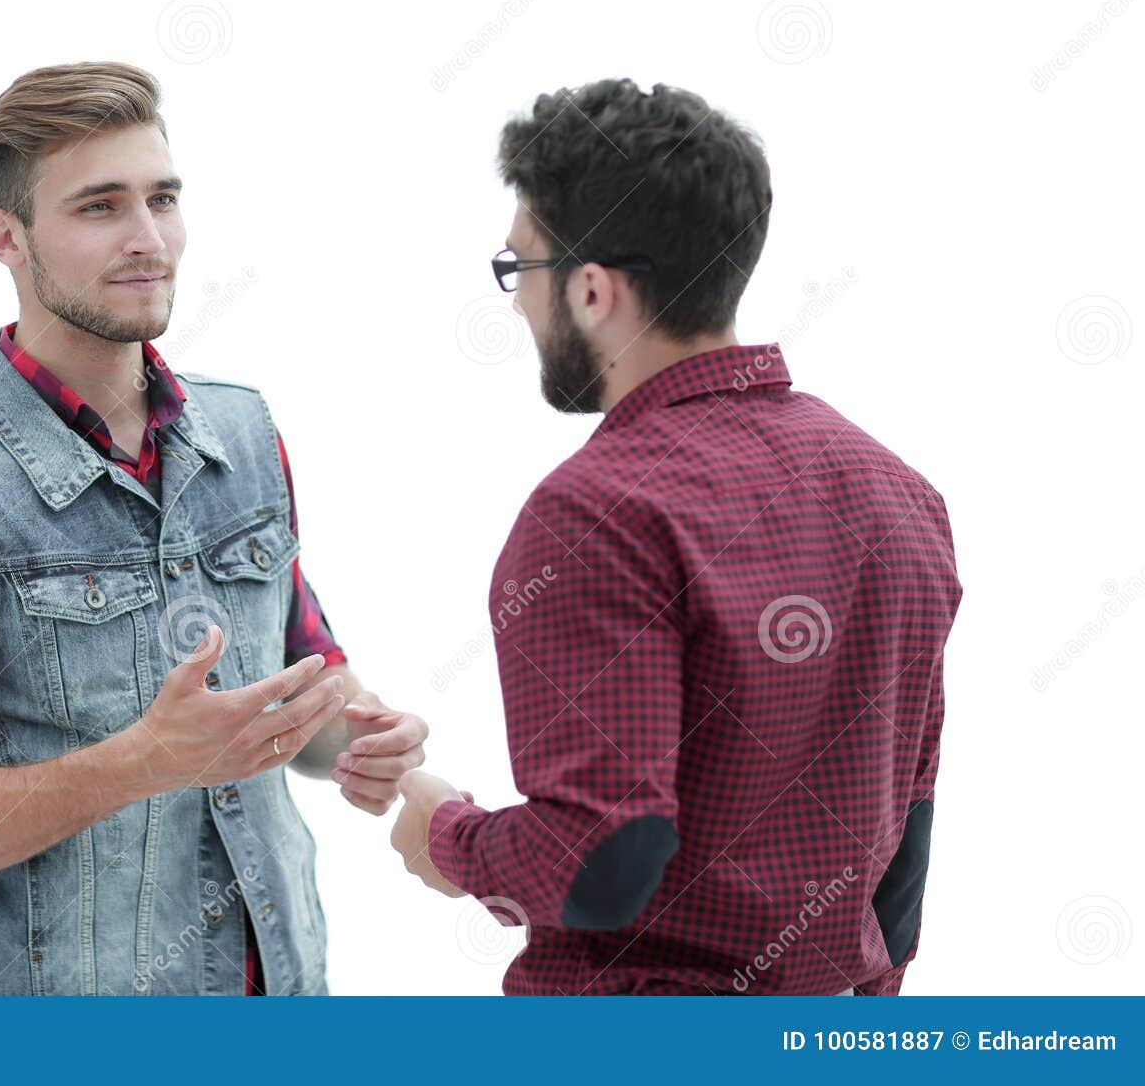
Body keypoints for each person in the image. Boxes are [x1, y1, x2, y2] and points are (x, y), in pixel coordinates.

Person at [0, 62, 428, 995]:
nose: (150, 240)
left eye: (163, 199)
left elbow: (298, 666)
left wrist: (357, 735)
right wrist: (139, 764)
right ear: (7, 237)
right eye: (100, 207)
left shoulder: (243, 433)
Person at [391, 79, 962, 996]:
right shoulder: (900, 493)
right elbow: (908, 838)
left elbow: (603, 863)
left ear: (589, 289)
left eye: (519, 272)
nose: (515, 306)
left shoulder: (597, 514)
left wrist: (447, 837)